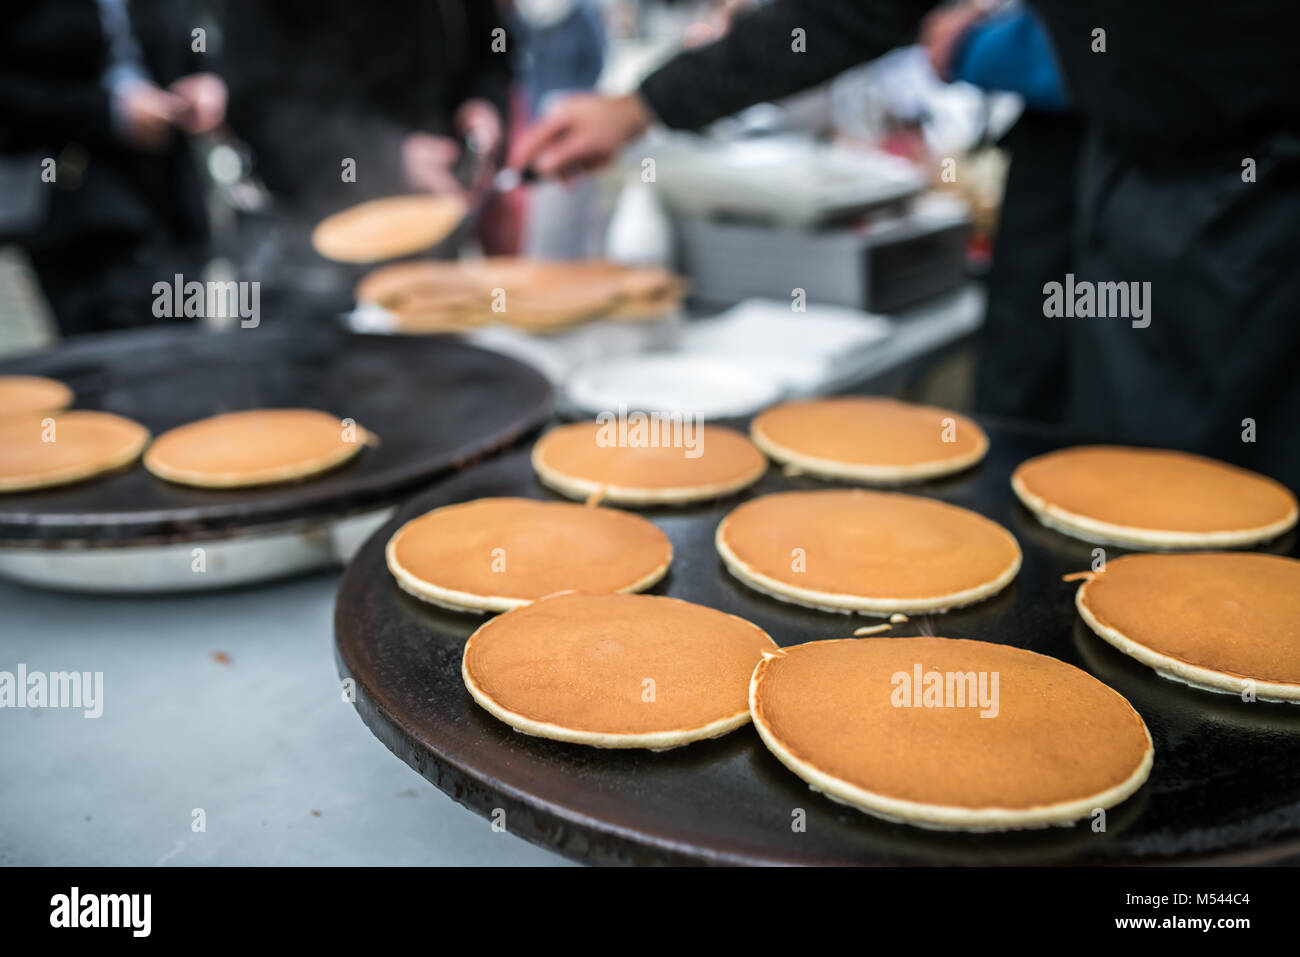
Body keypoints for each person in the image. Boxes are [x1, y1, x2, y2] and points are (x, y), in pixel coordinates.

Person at [510, 0, 1300, 491]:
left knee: (1189, 494)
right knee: (1043, 459)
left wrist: (1064, 50)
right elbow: (854, 11)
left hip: (1236, 184)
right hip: (1096, 162)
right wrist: (646, 103)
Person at [0, 0, 225, 336]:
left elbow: (189, 32)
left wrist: (204, 79)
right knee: (123, 342)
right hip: (73, 204)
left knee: (183, 328)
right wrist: (110, 114)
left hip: (168, 189)